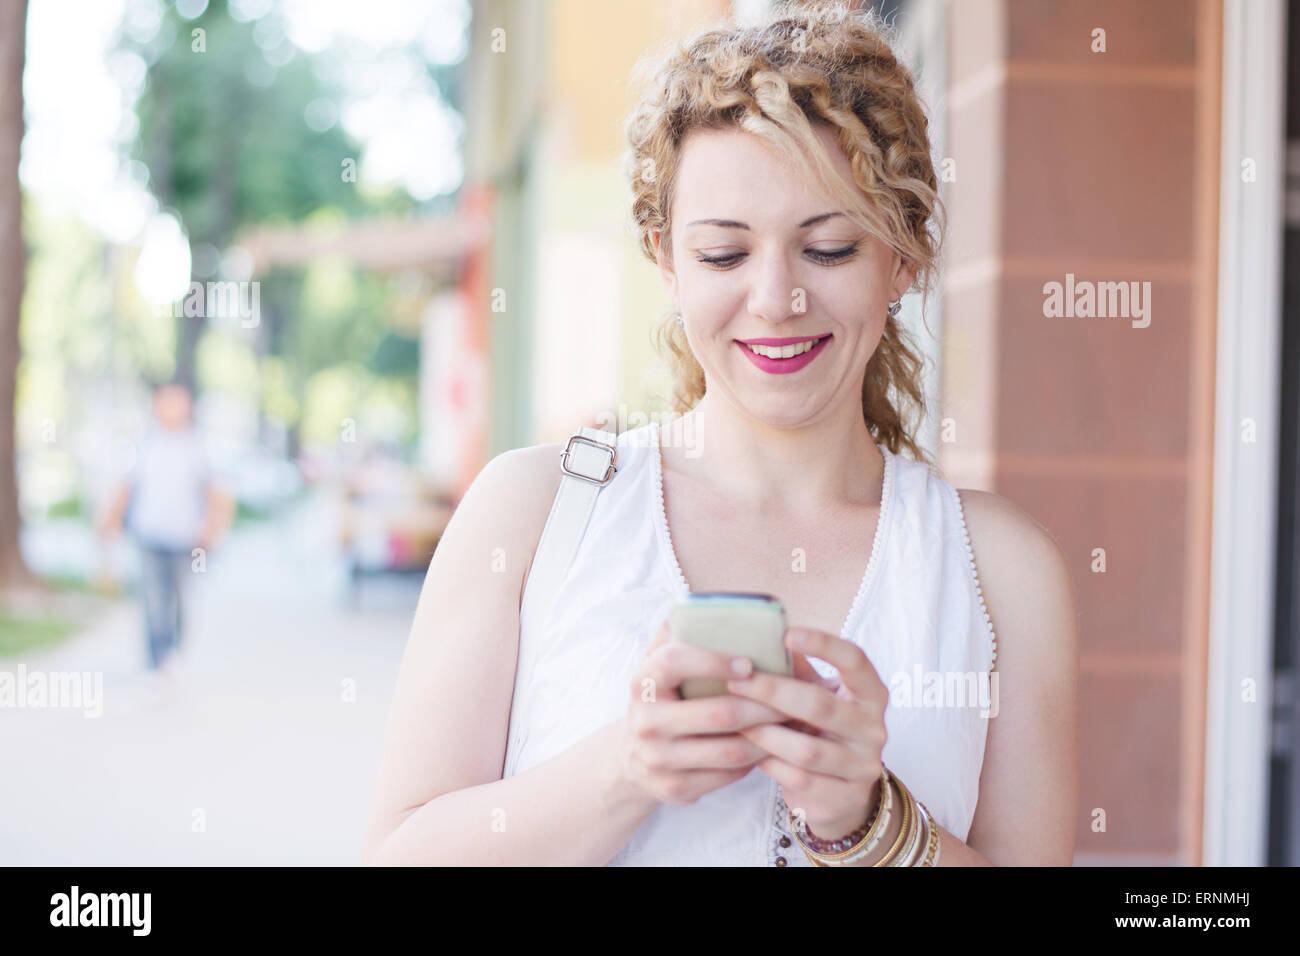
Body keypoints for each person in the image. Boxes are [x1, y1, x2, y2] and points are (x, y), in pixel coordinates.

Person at [362, 0, 1077, 866]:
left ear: (905, 257)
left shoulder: (998, 569)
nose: (776, 299)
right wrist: (625, 769)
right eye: (724, 255)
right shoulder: (532, 512)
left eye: (831, 249)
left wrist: (871, 822)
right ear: (665, 259)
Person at [98, 381, 234, 675]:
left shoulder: (198, 446)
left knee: (180, 600)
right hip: (148, 535)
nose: (170, 407)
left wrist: (212, 529)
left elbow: (217, 492)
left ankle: (174, 651)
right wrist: (110, 522)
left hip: (187, 540)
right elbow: (126, 487)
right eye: (165, 401)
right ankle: (158, 661)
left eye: (177, 401)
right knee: (152, 600)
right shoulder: (144, 444)